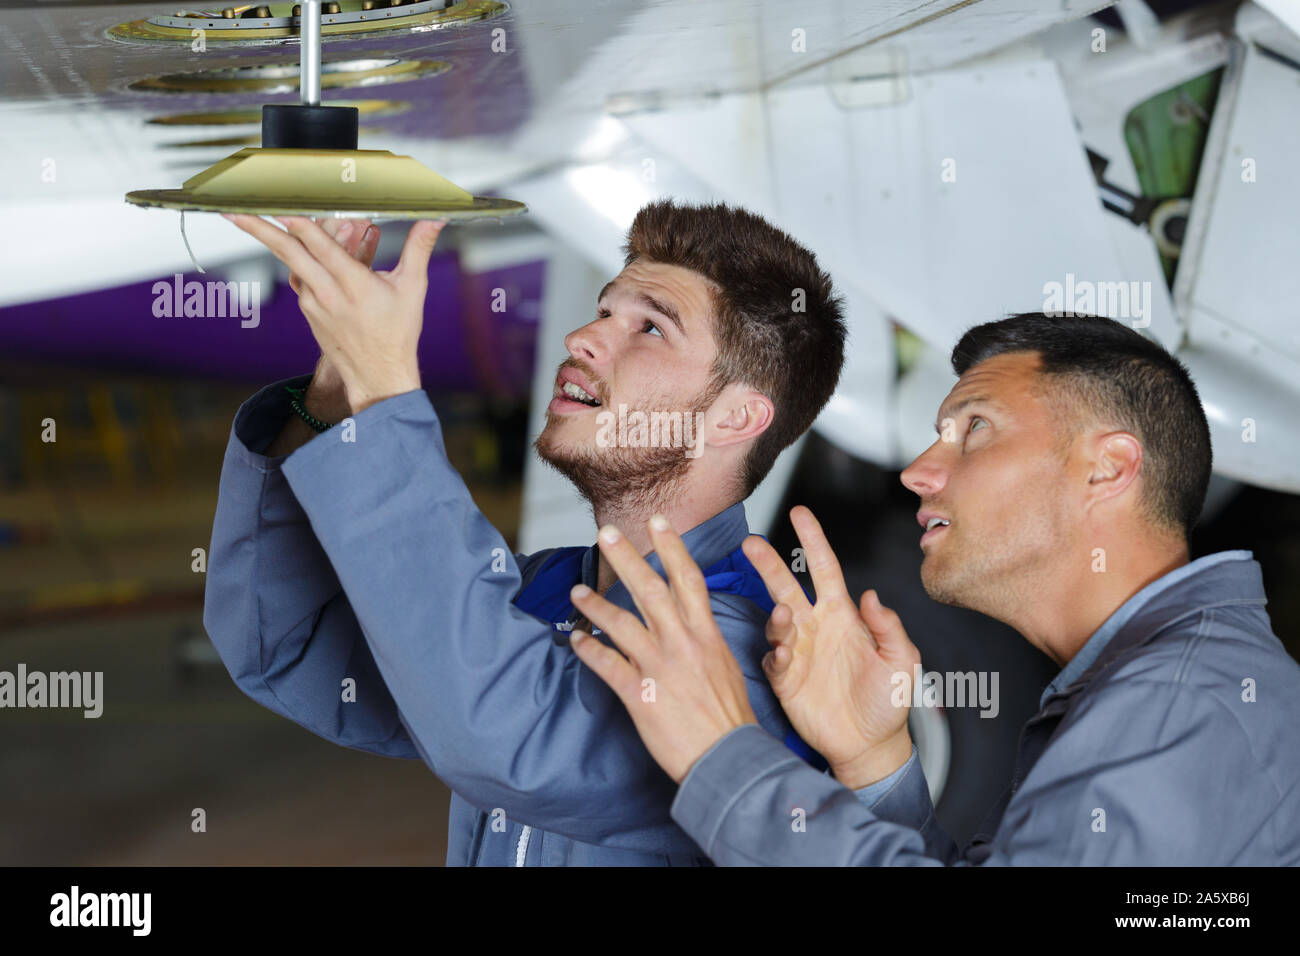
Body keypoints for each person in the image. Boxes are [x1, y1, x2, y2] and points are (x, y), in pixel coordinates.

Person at [204, 200, 847, 865]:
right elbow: (288, 648)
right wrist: (340, 387)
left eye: (651, 327)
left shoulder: (759, 651)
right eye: (604, 311)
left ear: (737, 416)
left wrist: (386, 391)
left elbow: (513, 740)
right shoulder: (547, 593)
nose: (584, 338)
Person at [569, 312, 1300, 865]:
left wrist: (720, 755)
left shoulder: (1176, 711)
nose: (919, 469)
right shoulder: (1181, 686)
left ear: (1108, 468)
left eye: (973, 428)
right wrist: (875, 761)